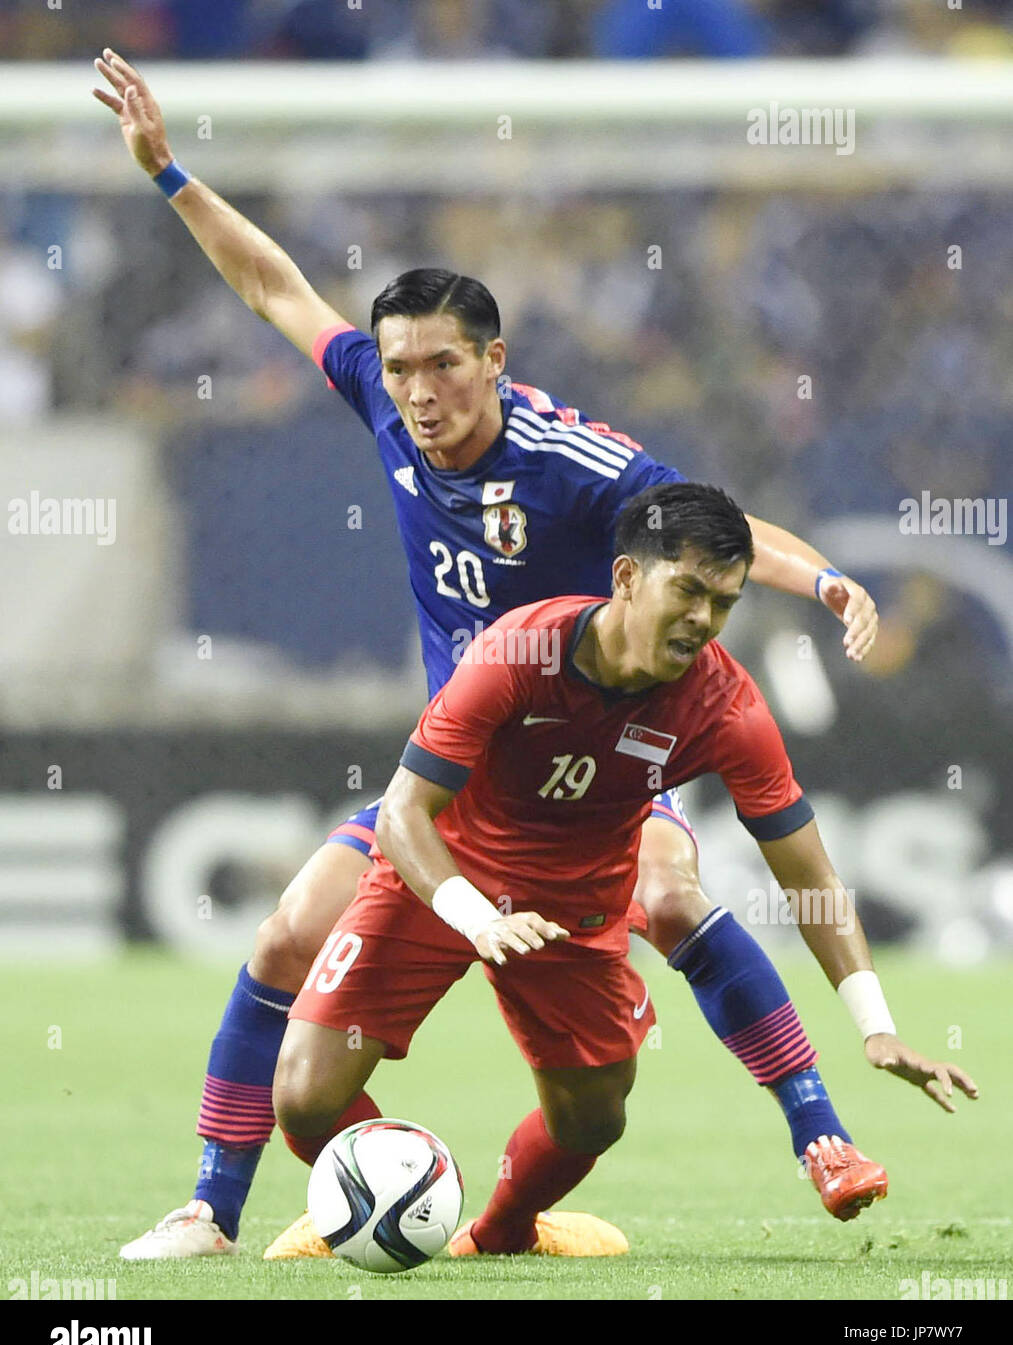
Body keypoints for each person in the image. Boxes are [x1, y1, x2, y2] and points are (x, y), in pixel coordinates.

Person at [89, 50, 910, 1261]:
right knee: (279, 940)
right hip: (457, 773)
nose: (417, 391)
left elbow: (707, 521)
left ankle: (815, 1129)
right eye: (403, 366)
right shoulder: (379, 395)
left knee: (675, 894)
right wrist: (170, 177)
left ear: (494, 361)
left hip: (600, 754)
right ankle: (224, 1205)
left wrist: (822, 576)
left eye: (443, 367)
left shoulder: (573, 464)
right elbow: (274, 287)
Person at [273, 482, 977, 1258]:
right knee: (304, 1099)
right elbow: (406, 811)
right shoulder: (518, 650)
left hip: (574, 906)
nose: (702, 620)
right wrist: (478, 916)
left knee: (594, 1118)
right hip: (444, 878)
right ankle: (372, 1192)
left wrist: (875, 1029)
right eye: (687, 591)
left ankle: (504, 1231)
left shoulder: (725, 707)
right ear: (626, 577)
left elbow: (808, 877)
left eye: (723, 603)